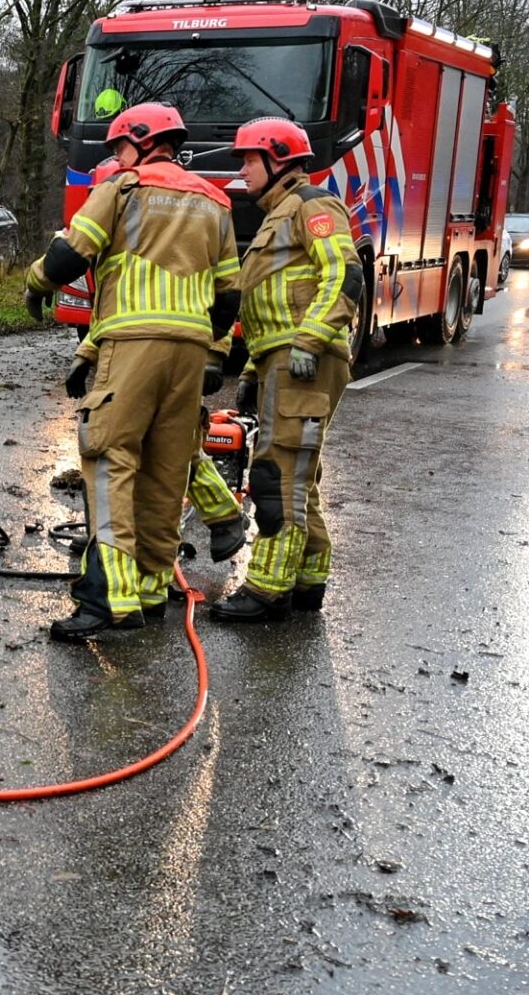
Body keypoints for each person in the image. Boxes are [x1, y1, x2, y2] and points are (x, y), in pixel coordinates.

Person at [25, 102, 240, 640]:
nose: (117, 158)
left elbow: (71, 254)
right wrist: (210, 351)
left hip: (134, 342)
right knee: (166, 468)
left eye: (120, 147)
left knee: (108, 456)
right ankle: (146, 589)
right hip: (190, 349)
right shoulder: (214, 201)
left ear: (143, 142)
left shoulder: (122, 190)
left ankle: (106, 599)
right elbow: (229, 294)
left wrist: (35, 283)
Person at [209, 118, 360, 621]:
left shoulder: (311, 205)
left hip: (304, 360)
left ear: (279, 159)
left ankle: (266, 591)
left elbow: (344, 272)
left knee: (277, 476)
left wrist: (311, 339)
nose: (242, 170)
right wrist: (252, 369)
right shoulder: (277, 215)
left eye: (249, 159)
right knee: (300, 474)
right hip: (281, 357)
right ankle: (307, 580)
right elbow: (268, 306)